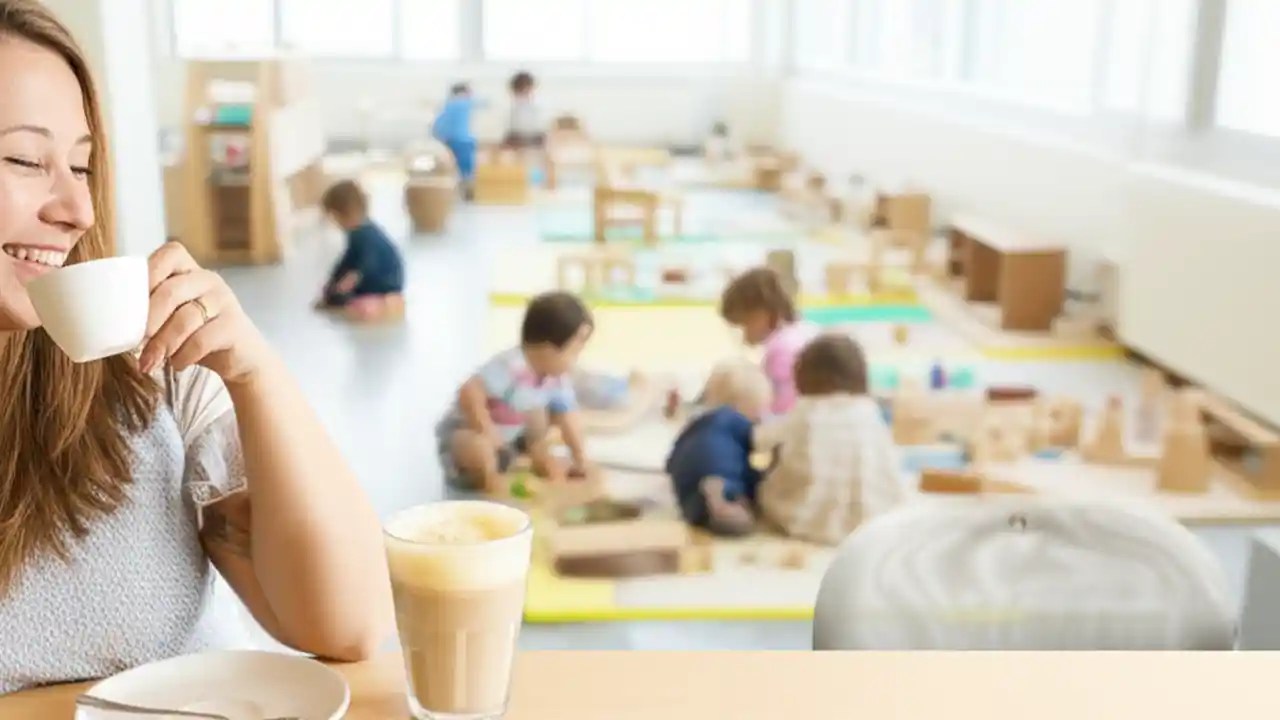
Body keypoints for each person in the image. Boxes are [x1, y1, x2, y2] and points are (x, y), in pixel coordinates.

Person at [0, 0, 391, 695]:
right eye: (27, 159)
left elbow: (348, 624)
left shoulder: (150, 374)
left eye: (83, 167)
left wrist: (254, 374)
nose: (79, 211)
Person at [754, 334, 906, 546]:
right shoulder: (870, 412)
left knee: (763, 485)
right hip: (876, 519)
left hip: (806, 520)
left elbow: (759, 440)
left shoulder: (807, 410)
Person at [435, 291, 593, 492]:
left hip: (511, 443)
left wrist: (580, 458)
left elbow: (568, 417)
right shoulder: (511, 365)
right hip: (467, 432)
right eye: (574, 352)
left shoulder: (556, 378)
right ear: (547, 348)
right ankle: (491, 483)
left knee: (545, 443)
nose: (575, 360)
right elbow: (469, 391)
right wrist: (486, 429)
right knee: (479, 449)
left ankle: (546, 479)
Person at [665, 360, 771, 536]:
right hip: (723, 480)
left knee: (697, 502)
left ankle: (707, 501)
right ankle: (721, 501)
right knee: (743, 506)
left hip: (687, 488)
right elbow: (750, 467)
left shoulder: (696, 425)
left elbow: (671, 461)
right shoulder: (742, 426)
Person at [719, 267, 819, 416]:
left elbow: (780, 410)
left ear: (761, 314)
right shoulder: (804, 331)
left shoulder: (781, 350)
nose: (744, 335)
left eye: (744, 324)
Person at [315, 179, 405, 319]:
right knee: (338, 297)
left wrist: (349, 280)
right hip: (370, 281)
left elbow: (368, 263)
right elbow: (347, 260)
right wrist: (333, 281)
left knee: (354, 306)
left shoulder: (367, 234)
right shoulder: (355, 233)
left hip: (385, 283)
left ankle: (382, 302)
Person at [431, 82, 481, 193]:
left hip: (452, 141)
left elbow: (437, 125)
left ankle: (461, 188)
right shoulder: (463, 103)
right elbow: (485, 102)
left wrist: (442, 137)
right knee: (467, 168)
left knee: (457, 166)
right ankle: (468, 190)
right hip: (463, 141)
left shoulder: (448, 105)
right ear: (463, 92)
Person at [504, 71, 544, 149]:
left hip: (534, 148)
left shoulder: (538, 109)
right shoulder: (509, 109)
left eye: (527, 89)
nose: (524, 94)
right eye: (520, 90)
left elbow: (542, 137)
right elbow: (507, 139)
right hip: (515, 148)